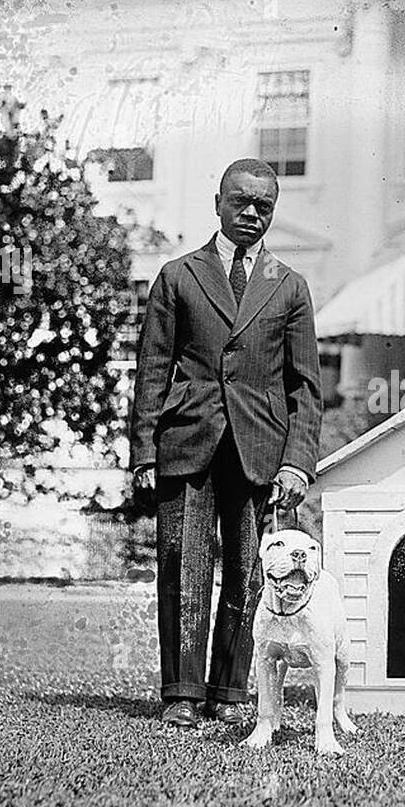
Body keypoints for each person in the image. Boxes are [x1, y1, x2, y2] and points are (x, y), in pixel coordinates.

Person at [129, 158, 322, 728]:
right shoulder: (177, 276)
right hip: (187, 441)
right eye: (241, 201)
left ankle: (232, 690)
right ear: (217, 203)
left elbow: (306, 388)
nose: (252, 213)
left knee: (250, 571)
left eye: (264, 205)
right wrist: (144, 451)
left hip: (261, 450)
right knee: (181, 565)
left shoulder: (288, 286)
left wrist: (297, 464)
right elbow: (152, 369)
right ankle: (183, 691)